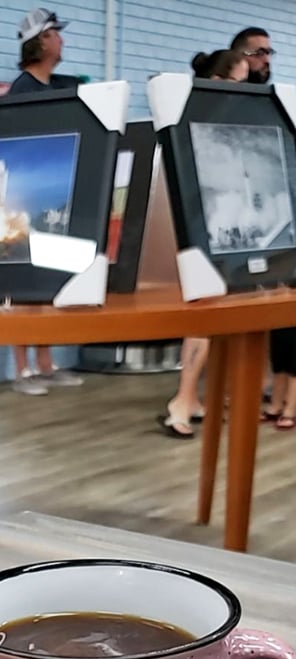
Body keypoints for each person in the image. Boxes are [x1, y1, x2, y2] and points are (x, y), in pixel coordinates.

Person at [159, 48, 248, 438]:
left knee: (211, 318)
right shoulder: (195, 118)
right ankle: (182, 400)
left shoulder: (224, 122)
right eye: (236, 83)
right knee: (204, 316)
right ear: (217, 80)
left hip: (223, 224)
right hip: (200, 226)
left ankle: (191, 397)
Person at [6, 9, 83, 395]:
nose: (61, 41)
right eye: (55, 34)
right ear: (40, 41)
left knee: (48, 284)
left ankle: (47, 363)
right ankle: (22, 371)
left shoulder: (57, 89)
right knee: (23, 287)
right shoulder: (22, 90)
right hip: (27, 198)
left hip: (56, 196)